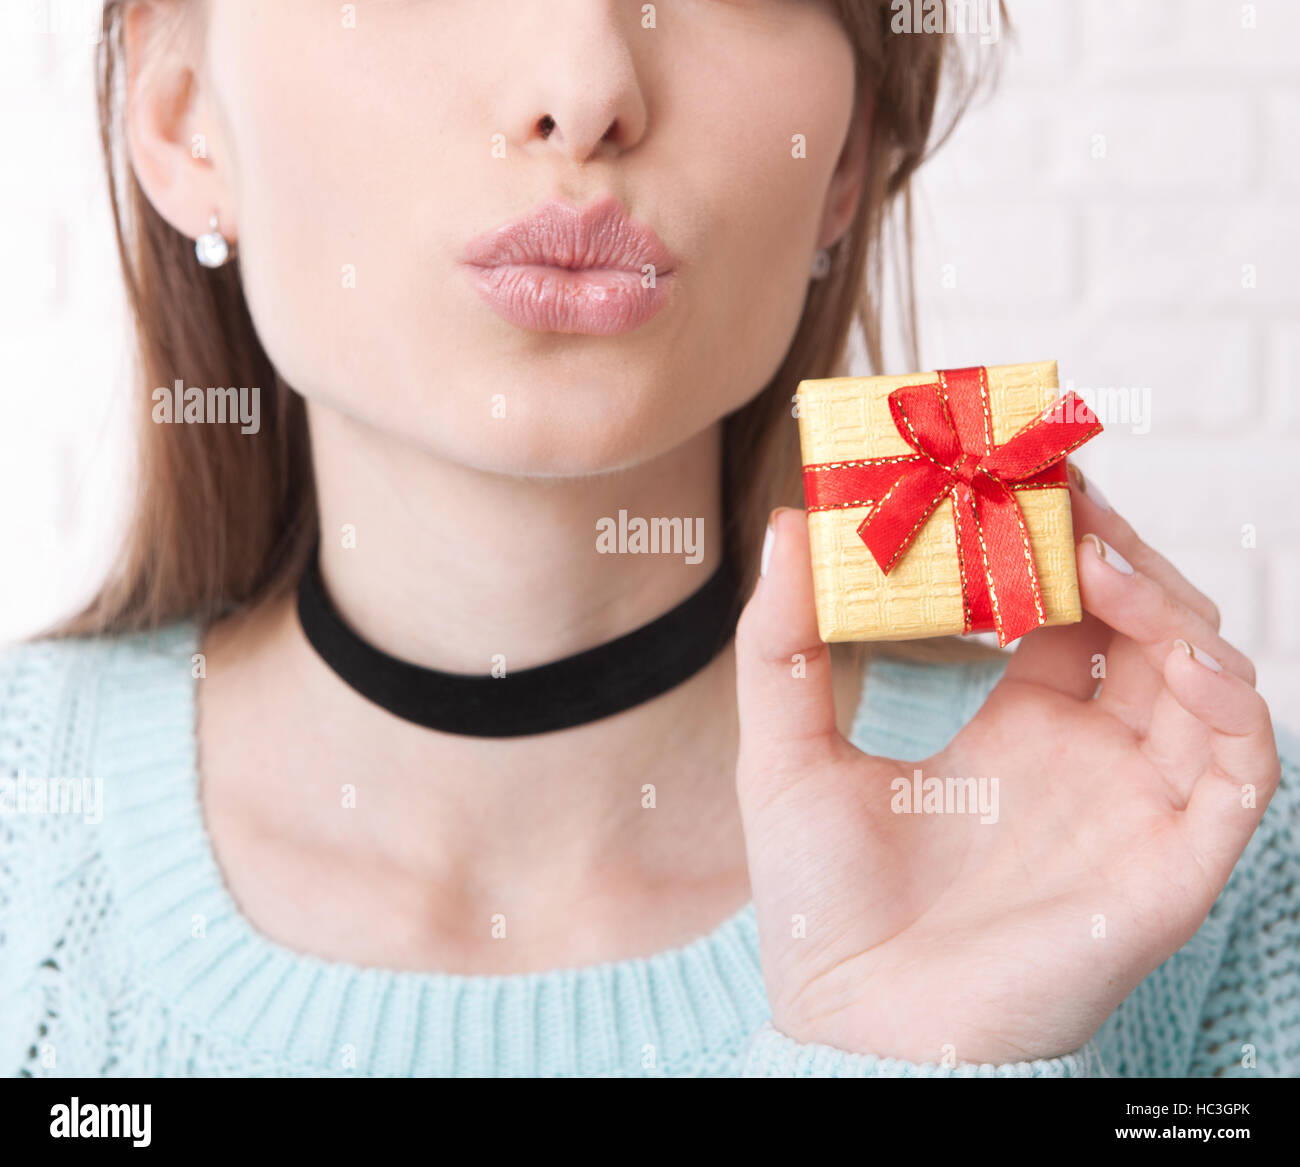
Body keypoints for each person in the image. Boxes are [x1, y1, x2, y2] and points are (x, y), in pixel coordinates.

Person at [1, 0, 1294, 1078]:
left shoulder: (1189, 864)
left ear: (846, 158)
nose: (587, 85)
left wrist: (907, 1046)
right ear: (179, 115)